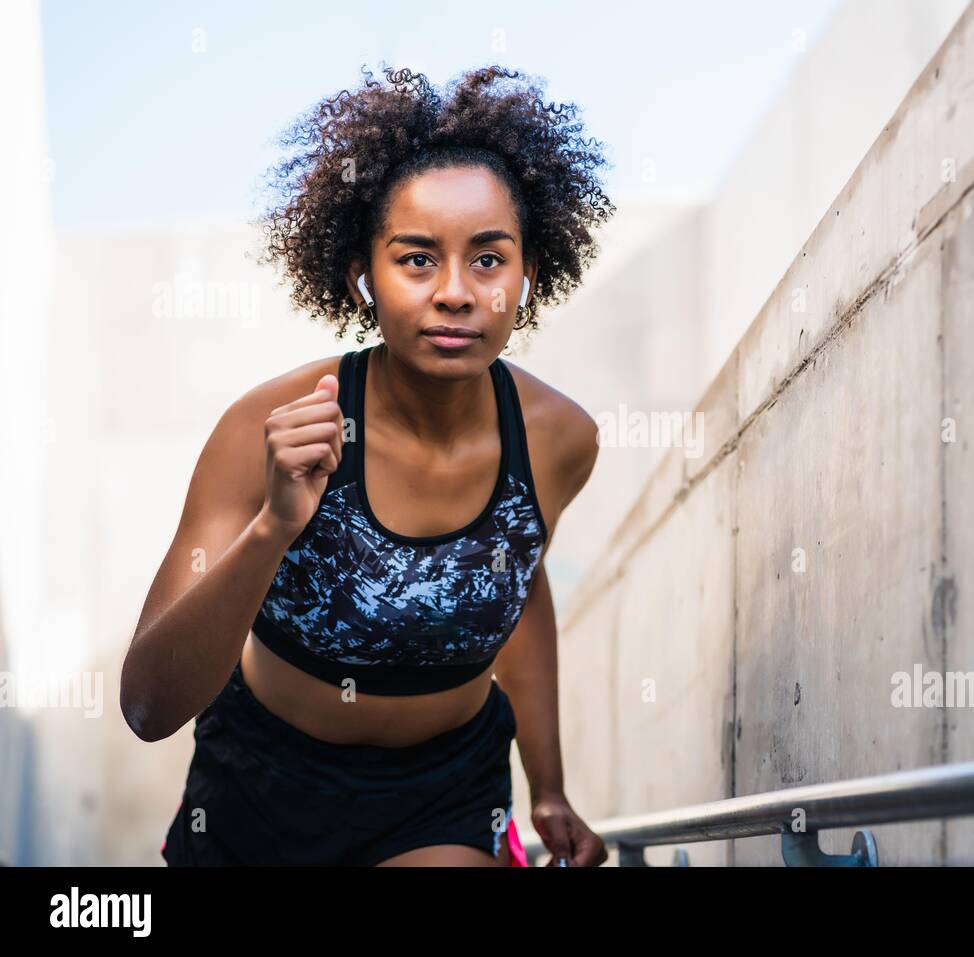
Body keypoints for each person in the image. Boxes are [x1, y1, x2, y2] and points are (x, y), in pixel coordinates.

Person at [120, 64, 615, 866]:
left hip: (443, 795)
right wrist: (274, 525)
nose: (455, 292)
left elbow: (516, 586)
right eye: (417, 259)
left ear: (528, 274)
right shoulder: (264, 428)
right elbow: (147, 703)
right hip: (260, 786)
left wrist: (549, 786)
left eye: (489, 259)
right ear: (363, 279)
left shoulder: (560, 438)